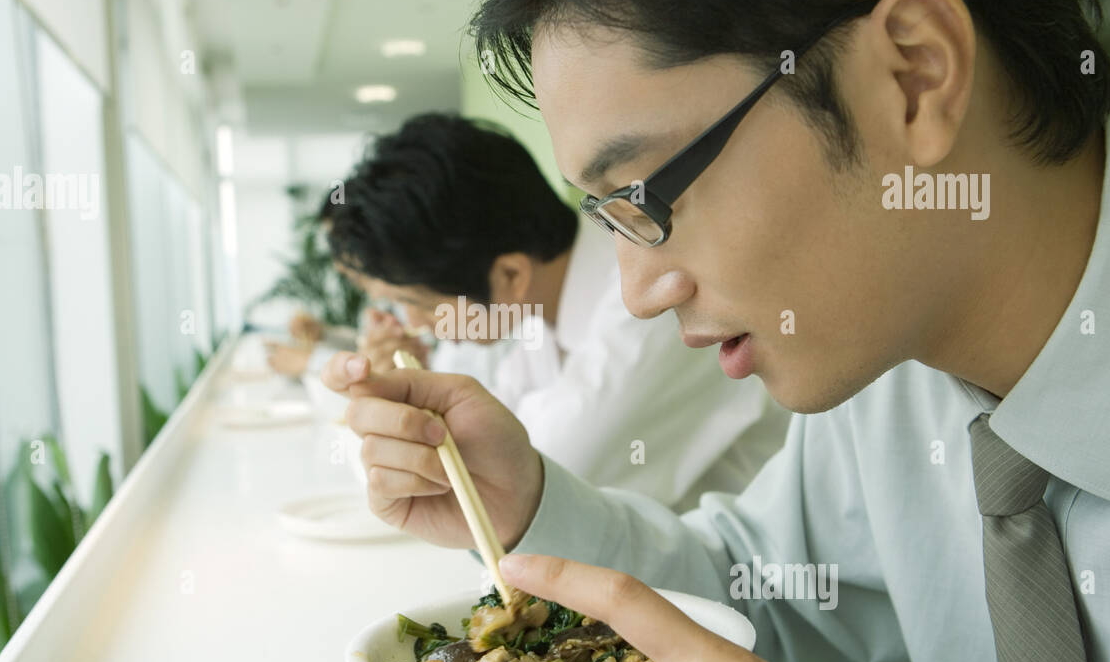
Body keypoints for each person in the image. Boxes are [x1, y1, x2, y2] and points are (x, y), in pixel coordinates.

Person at [321, 0, 1110, 662]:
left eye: (646, 194)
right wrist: (530, 505)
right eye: (609, 219)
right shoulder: (894, 365)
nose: (636, 294)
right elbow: (758, 593)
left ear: (914, 75)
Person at [322, 112, 790, 511]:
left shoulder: (652, 304)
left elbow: (510, 482)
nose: (414, 325)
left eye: (416, 303)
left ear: (508, 275)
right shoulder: (542, 322)